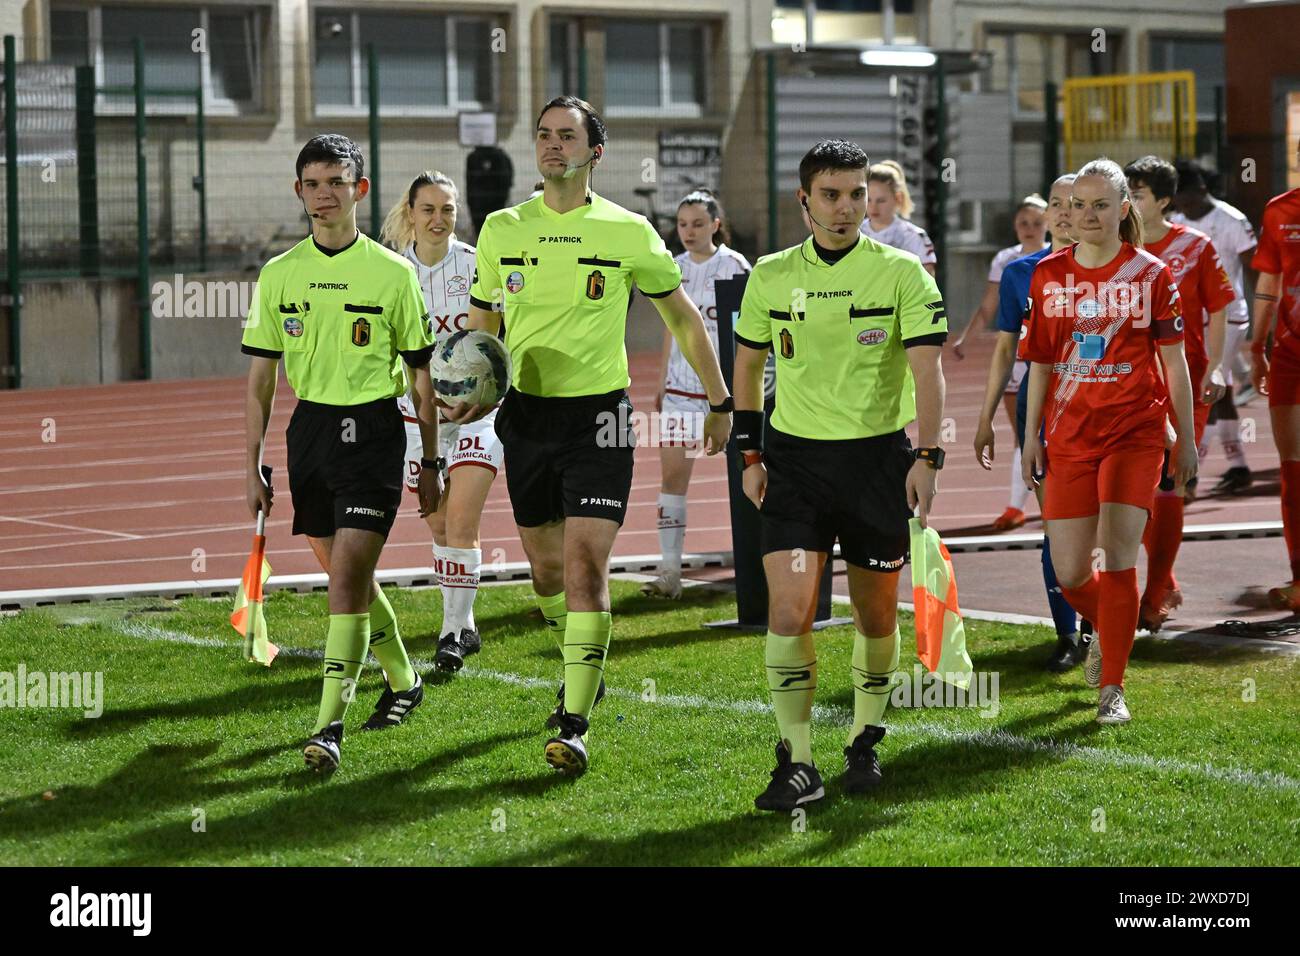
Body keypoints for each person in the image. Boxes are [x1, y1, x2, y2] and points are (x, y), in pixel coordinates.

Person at [447, 96, 732, 775]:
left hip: (600, 421)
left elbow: (686, 320)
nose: (552, 146)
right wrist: (466, 385)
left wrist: (722, 400)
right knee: (545, 572)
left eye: (566, 136)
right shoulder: (500, 229)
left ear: (593, 152)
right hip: (526, 417)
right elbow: (482, 324)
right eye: (543, 135)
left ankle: (573, 722)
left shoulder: (628, 231)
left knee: (584, 569)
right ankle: (585, 663)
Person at [733, 139, 948, 810]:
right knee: (790, 611)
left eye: (857, 194)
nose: (846, 207)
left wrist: (928, 457)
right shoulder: (769, 275)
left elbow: (928, 371)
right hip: (794, 466)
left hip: (878, 464)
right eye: (831, 194)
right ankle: (797, 761)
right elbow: (746, 368)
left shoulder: (903, 272)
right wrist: (749, 454)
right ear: (804, 202)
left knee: (877, 616)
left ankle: (864, 738)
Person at [241, 134, 440, 770]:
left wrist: (431, 461)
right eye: (312, 184)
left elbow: (421, 377)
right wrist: (252, 464)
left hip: (374, 433)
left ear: (359, 189)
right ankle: (406, 681)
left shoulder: (393, 274)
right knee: (345, 577)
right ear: (298, 192)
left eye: (336, 183)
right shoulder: (279, 276)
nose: (324, 195)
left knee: (347, 580)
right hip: (312, 436)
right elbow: (262, 381)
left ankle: (328, 728)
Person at [1020, 158, 1196, 725]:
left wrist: (1185, 440)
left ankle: (1111, 689)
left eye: (1101, 205)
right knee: (1071, 573)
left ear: (1125, 208)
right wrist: (1031, 437)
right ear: (1065, 212)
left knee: (1119, 559)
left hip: (1134, 432)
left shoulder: (1150, 274)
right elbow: (1041, 364)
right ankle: (1112, 636)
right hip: (1068, 436)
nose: (1088, 215)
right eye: (1078, 205)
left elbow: (1176, 365)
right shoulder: (1049, 274)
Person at [380, 171, 500, 672]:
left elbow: (496, 340)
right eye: (427, 209)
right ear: (410, 213)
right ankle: (465, 624)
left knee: (460, 521)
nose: (438, 219)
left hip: (476, 414)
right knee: (438, 524)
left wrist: (478, 393)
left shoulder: (478, 265)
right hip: (415, 419)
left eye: (447, 209)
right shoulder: (388, 273)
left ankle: (451, 633)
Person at [973, 175, 1086, 670]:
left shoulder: (1121, 269)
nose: (1062, 213)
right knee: (1056, 527)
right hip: (1041, 411)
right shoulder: (1022, 273)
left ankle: (1101, 628)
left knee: (1099, 529)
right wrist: (984, 418)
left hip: (1106, 409)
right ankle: (1068, 635)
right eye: (1056, 204)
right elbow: (1004, 351)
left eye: (1074, 204)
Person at [1124, 155, 1235, 631]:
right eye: (1126, 191)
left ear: (1165, 200)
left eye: (1139, 194)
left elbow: (1221, 307)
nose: (1129, 201)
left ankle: (1156, 589)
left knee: (1170, 483)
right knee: (1136, 487)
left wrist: (1218, 367)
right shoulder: (1114, 246)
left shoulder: (1196, 246)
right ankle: (1159, 584)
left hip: (1181, 381)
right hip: (1125, 382)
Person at [643, 190, 752, 599]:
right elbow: (673, 328)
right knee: (672, 480)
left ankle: (758, 567)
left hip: (724, 395)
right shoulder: (672, 267)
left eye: (698, 224)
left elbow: (748, 331)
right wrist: (659, 383)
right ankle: (670, 574)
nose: (688, 232)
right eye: (682, 224)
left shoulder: (736, 266)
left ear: (716, 225)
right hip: (678, 391)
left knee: (748, 475)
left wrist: (743, 390)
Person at [955, 194, 1049, 529]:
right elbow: (989, 304)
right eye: (1023, 222)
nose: (1029, 228)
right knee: (1025, 434)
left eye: (1037, 222)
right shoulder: (1008, 263)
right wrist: (967, 336)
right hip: (1021, 360)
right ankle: (1017, 505)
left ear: (1049, 222)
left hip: (1055, 362)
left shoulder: (1064, 258)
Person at [1172, 159, 1259, 493]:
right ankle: (1237, 466)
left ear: (1202, 190)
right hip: (1192, 318)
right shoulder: (1176, 222)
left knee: (1206, 390)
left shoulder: (1232, 220)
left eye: (1188, 197)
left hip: (1229, 315)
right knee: (1216, 393)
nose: (1184, 205)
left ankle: (1191, 473)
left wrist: (1260, 324)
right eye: (1178, 199)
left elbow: (1253, 268)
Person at [1247, 149, 1300, 610]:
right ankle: (1299, 575)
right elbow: (1269, 281)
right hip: (1290, 356)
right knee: (1293, 467)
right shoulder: (1279, 210)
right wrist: (1256, 344)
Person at [860, 159, 937, 276]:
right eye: (868, 200)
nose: (873, 207)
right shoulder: (855, 232)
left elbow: (927, 279)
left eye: (881, 201)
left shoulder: (913, 236)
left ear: (898, 198)